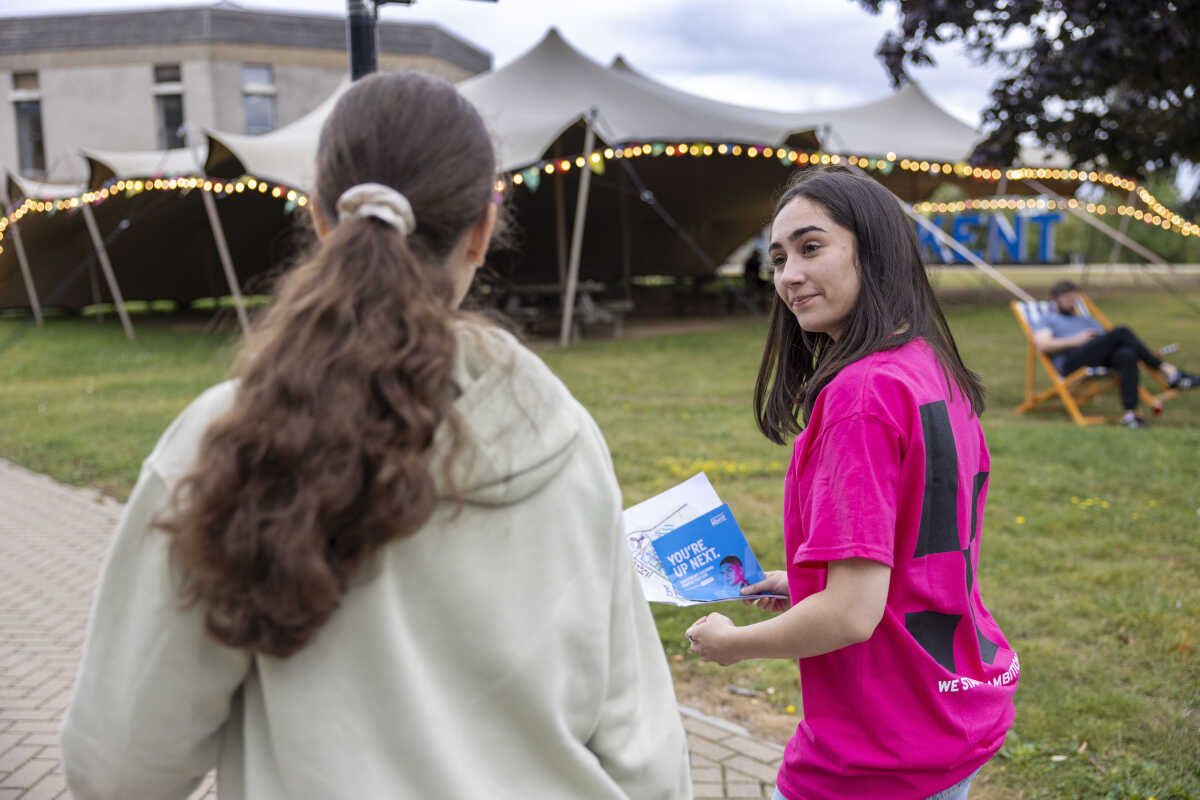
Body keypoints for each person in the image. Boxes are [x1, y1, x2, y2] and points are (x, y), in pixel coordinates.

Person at [61, 72, 690, 800]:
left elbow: (117, 767)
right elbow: (646, 756)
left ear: (320, 219)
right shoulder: (568, 443)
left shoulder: (226, 440)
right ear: (481, 233)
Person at [685, 168, 1018, 800]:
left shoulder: (860, 395)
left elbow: (850, 613)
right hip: (951, 713)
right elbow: (911, 554)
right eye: (778, 258)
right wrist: (807, 580)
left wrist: (733, 645)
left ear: (876, 249)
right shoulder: (927, 367)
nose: (788, 276)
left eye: (812, 248)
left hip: (879, 752)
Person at [1032, 279, 1197, 429]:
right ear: (1055, 300)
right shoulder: (1047, 319)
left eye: (1074, 299)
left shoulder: (1086, 319)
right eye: (1067, 299)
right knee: (1122, 331)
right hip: (1072, 360)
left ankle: (1131, 415)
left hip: (1097, 357)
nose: (1072, 303)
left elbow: (1108, 340)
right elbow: (1043, 345)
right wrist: (1076, 340)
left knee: (1127, 354)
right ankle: (1169, 371)